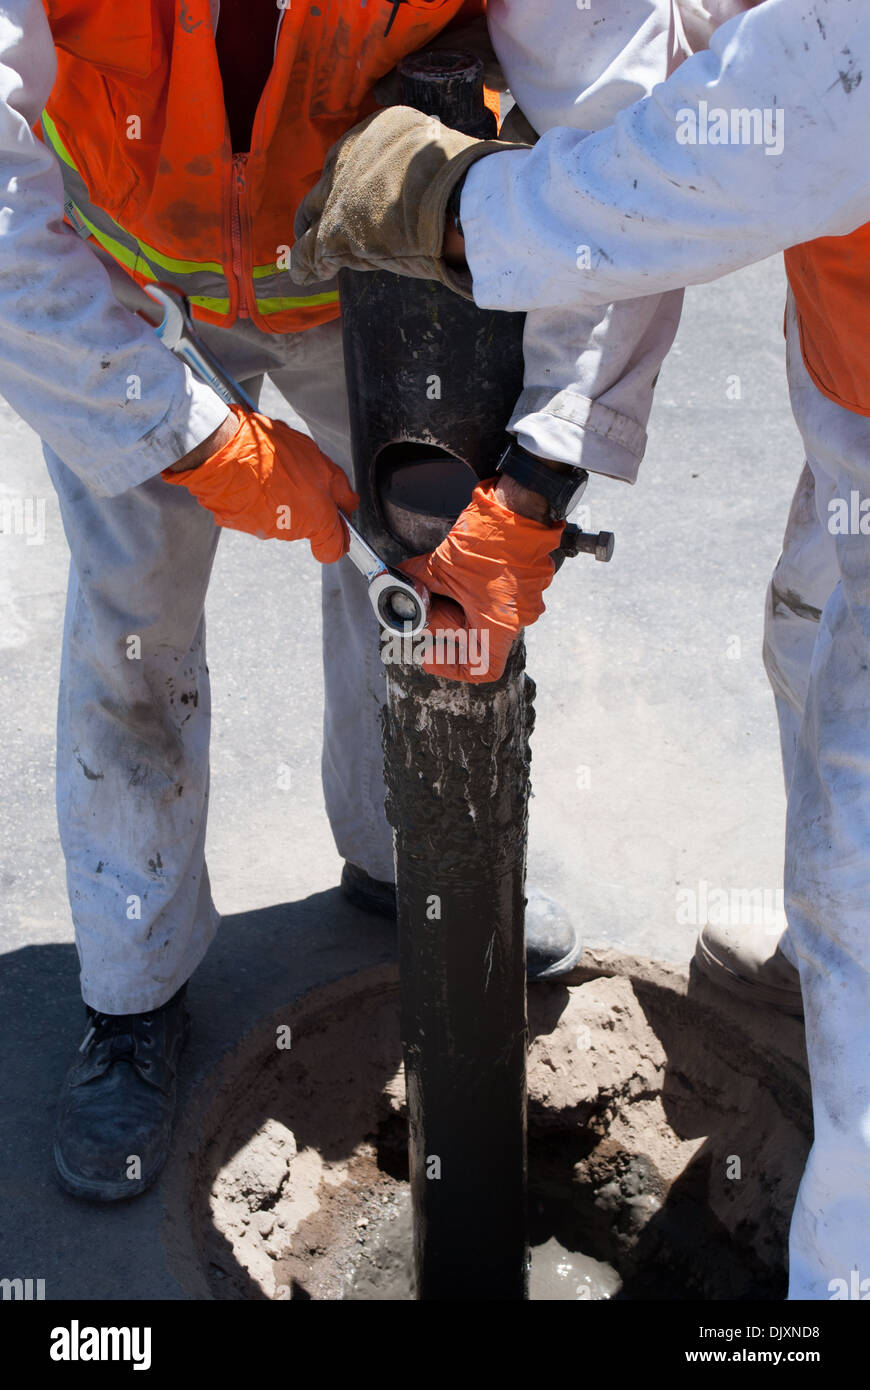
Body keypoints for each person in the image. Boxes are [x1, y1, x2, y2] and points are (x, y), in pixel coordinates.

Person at [291, 0, 870, 1301]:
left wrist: (469, 224)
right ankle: (818, 966)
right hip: (854, 357)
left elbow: (768, 123)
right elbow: (650, 117)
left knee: (862, 830)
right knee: (808, 631)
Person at [0, 0, 581, 1205]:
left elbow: (610, 135)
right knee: (131, 621)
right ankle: (135, 992)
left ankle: (397, 855)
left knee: (414, 567)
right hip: (126, 283)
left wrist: (549, 457)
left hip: (360, 272)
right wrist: (181, 427)